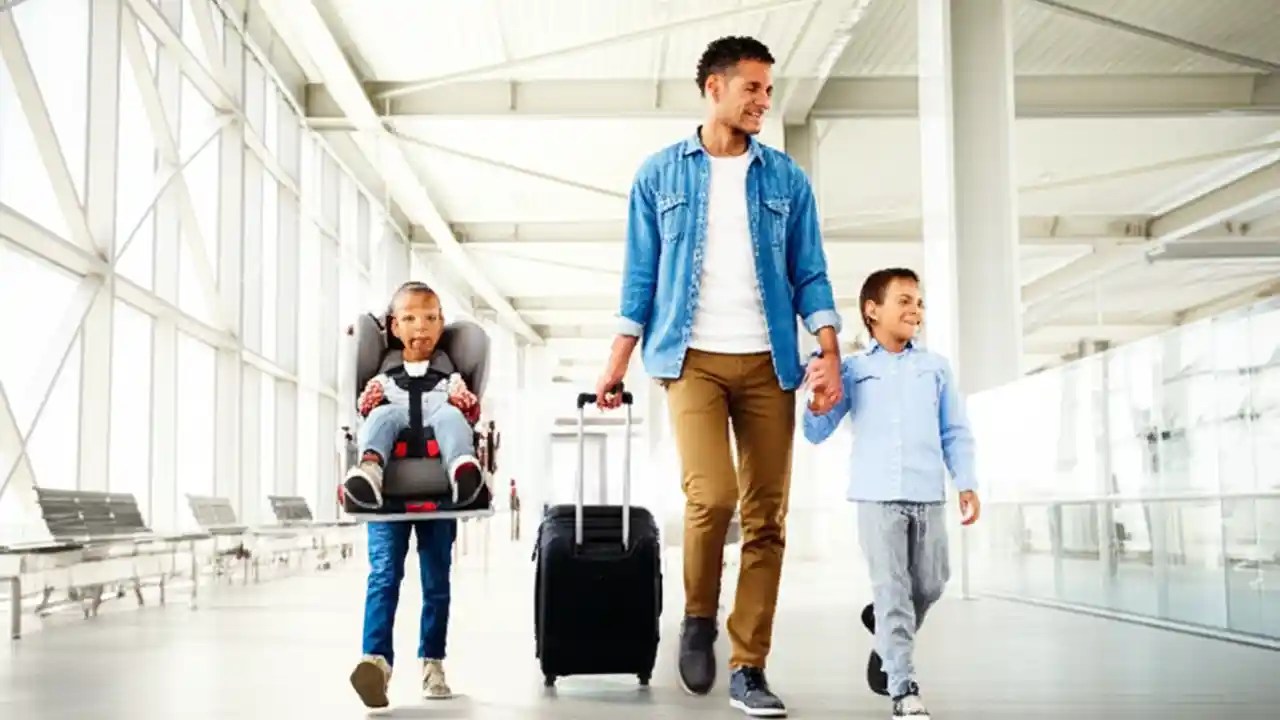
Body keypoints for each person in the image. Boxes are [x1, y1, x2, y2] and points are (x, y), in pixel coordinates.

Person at [594, 35, 843, 717]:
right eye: (753, 88)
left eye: (769, 90)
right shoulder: (659, 175)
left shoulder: (787, 179)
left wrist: (829, 350)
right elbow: (639, 280)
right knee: (712, 496)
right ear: (714, 88)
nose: (764, 101)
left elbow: (810, 271)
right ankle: (699, 616)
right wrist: (615, 367)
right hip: (691, 359)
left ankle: (748, 665)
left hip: (772, 363)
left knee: (768, 518)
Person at [801, 268, 981, 719]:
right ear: (872, 310)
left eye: (918, 302)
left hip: (928, 493)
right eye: (904, 300)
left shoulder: (936, 367)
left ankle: (884, 630)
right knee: (894, 591)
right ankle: (903, 689)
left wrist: (967, 481)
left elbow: (954, 430)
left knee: (932, 583)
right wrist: (817, 404)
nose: (915, 310)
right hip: (876, 497)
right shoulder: (854, 370)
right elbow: (816, 431)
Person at [345, 281, 482, 708]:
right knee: (384, 575)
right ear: (393, 326)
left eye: (429, 317)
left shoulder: (450, 375)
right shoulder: (384, 379)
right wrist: (371, 404)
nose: (420, 326)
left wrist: (464, 404)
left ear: (442, 325)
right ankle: (376, 662)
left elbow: (469, 408)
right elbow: (367, 410)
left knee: (435, 581)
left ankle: (432, 662)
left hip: (441, 488)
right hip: (386, 493)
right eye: (409, 318)